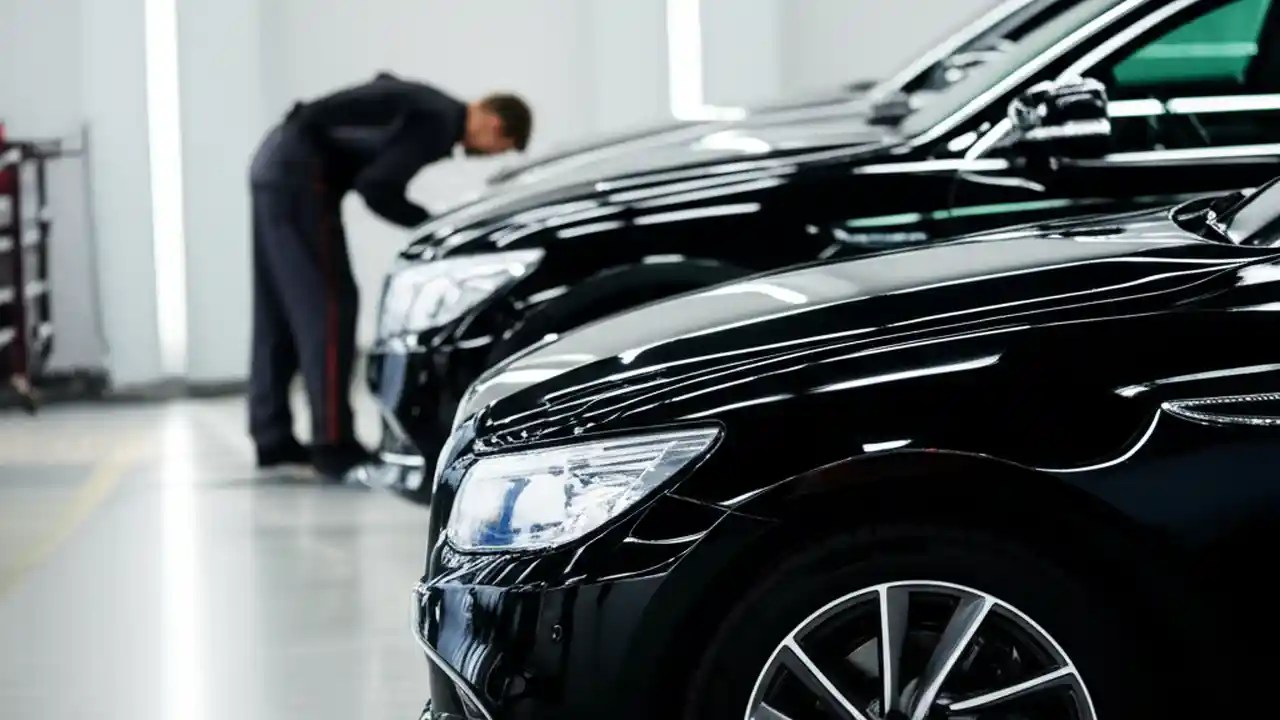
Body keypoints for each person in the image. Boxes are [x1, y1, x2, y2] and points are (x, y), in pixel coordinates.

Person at [248, 72, 532, 480]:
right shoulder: (439, 122)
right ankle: (333, 444)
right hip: (301, 174)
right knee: (330, 309)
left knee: (276, 311)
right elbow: (377, 186)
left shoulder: (432, 106)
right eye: (497, 149)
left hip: (275, 162)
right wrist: (431, 226)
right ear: (494, 124)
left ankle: (272, 436)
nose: (486, 156)